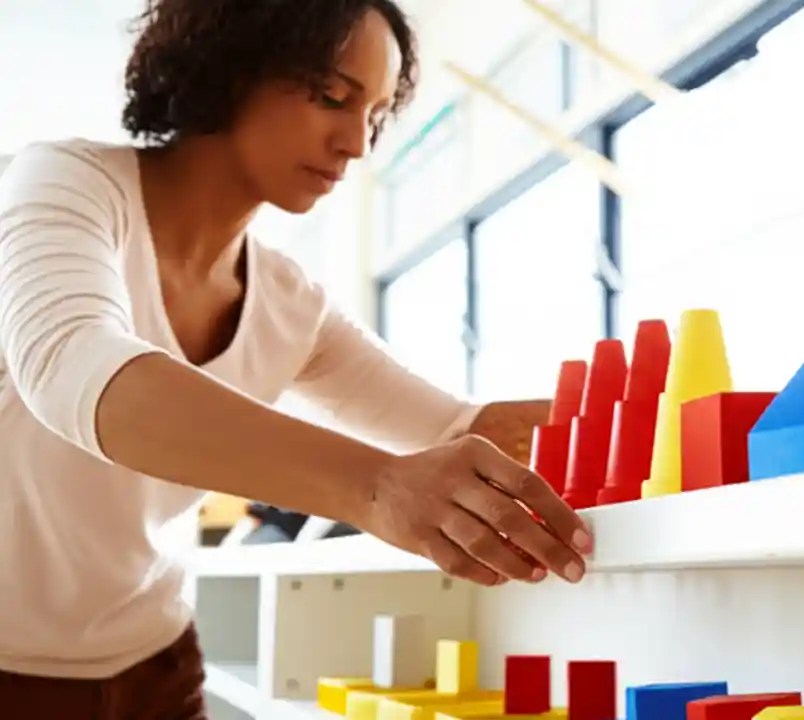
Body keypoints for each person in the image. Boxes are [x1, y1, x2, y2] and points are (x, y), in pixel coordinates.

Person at [0, 1, 594, 717]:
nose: (356, 144)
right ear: (230, 62)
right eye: (331, 96)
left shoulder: (290, 302)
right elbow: (73, 368)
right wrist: (375, 490)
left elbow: (456, 428)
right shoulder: (67, 183)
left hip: (153, 666)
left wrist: (648, 415)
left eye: (374, 115)